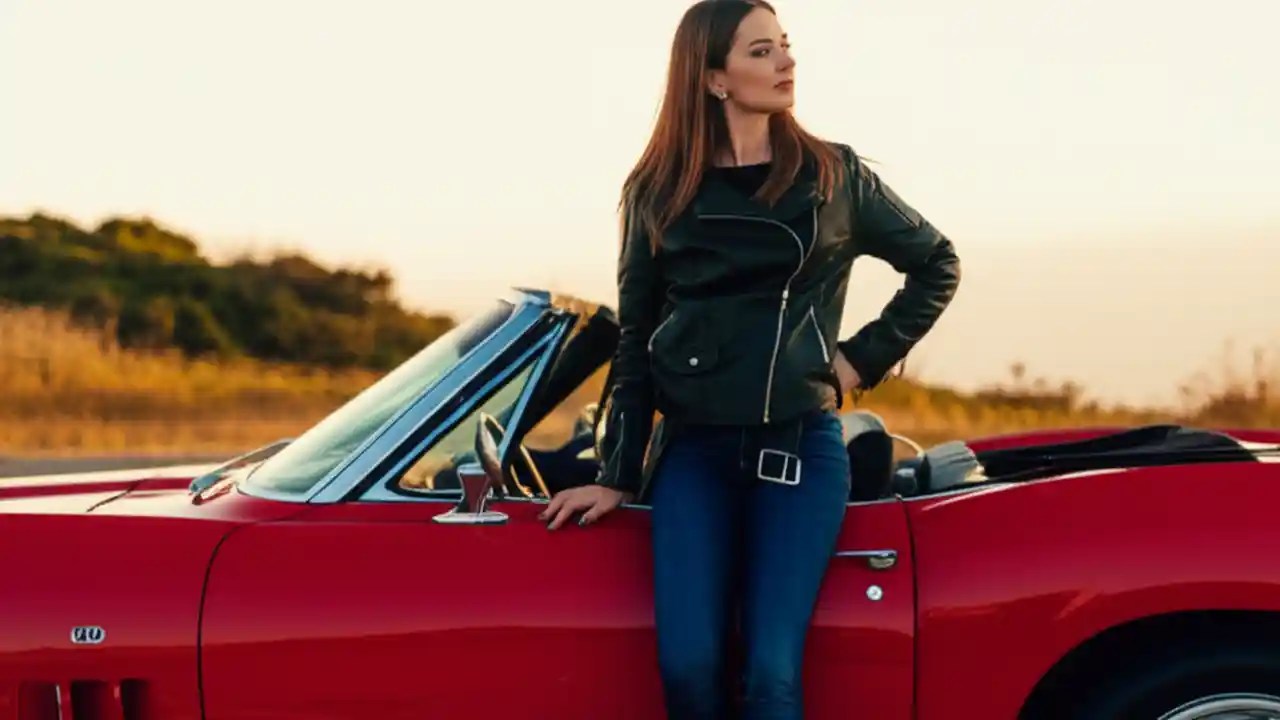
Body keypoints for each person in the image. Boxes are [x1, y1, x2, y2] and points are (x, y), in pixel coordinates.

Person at [539, 1, 961, 717]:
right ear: (713, 79)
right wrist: (616, 474)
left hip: (799, 450)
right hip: (693, 455)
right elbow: (638, 337)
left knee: (771, 671)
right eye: (762, 51)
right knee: (688, 666)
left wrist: (857, 363)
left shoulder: (834, 176)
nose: (787, 61)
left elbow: (937, 264)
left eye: (784, 45)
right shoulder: (657, 191)